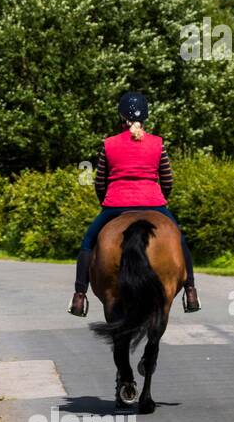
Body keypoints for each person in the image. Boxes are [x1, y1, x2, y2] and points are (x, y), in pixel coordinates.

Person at [68, 91, 201, 317]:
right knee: (180, 239)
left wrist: (106, 203)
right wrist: (161, 199)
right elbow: (167, 179)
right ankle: (191, 291)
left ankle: (79, 296)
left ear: (121, 117)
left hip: (116, 204)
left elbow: (100, 181)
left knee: (88, 242)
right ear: (146, 116)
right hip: (154, 203)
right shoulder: (158, 144)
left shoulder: (108, 144)